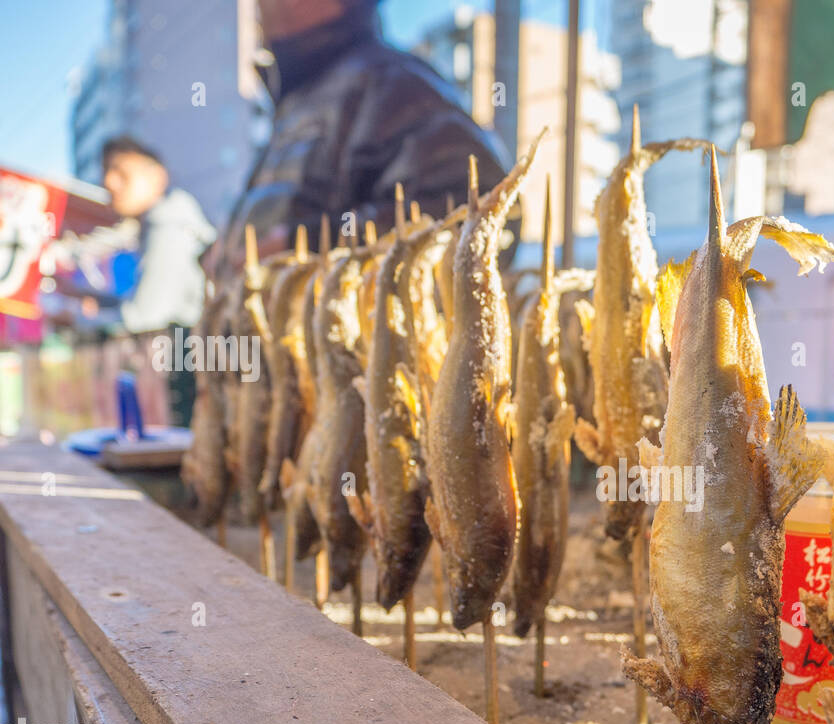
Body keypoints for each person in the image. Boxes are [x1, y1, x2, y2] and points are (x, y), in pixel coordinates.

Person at [205, 0, 513, 286]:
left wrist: (308, 245)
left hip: (332, 342)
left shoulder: (391, 81)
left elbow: (481, 211)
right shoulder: (302, 96)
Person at [78, 136, 216, 426]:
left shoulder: (168, 224)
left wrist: (76, 316)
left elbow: (144, 314)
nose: (109, 182)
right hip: (189, 362)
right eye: (106, 172)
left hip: (191, 366)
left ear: (157, 177)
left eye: (121, 172)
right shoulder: (159, 223)